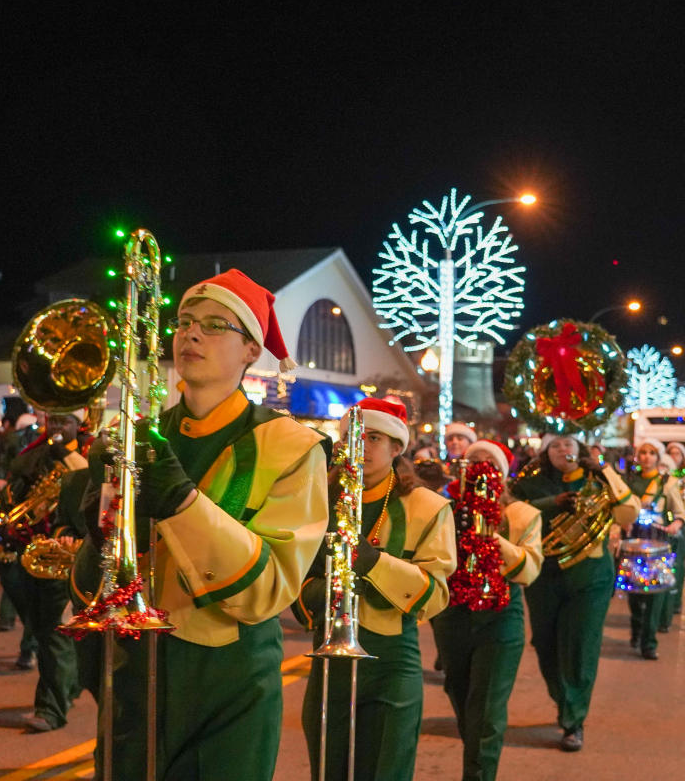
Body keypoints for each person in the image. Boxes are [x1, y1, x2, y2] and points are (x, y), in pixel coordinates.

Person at [72, 268, 330, 780]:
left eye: (214, 325)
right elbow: (93, 589)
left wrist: (180, 501)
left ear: (251, 351)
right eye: (184, 321)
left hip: (228, 684)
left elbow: (268, 590)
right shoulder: (138, 436)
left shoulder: (291, 446)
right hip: (132, 671)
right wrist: (99, 529)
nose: (189, 333)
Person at [295, 398, 456, 781]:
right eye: (353, 436)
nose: (361, 446)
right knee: (327, 766)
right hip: (328, 657)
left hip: (391, 661)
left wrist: (373, 563)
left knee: (385, 767)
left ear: (396, 447)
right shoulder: (318, 499)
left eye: (374, 437)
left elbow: (435, 594)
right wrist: (323, 593)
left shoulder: (428, 507)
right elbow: (294, 576)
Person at [510, 434, 638, 751]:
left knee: (581, 645)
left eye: (569, 444)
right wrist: (551, 503)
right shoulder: (532, 482)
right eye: (555, 445)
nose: (563, 450)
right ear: (545, 453)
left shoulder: (601, 479)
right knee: (545, 642)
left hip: (590, 575)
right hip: (544, 573)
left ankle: (573, 720)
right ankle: (564, 700)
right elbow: (512, 515)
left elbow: (628, 512)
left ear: (580, 450)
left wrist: (605, 470)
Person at [432, 439, 541, 781]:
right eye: (472, 462)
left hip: (500, 617)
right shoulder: (445, 508)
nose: (480, 469)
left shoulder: (523, 514)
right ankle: (475, 760)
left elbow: (529, 569)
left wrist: (491, 538)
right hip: (453, 615)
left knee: (488, 709)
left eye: (488, 464)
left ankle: (478, 775)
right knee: (461, 694)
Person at [0, 409, 89, 731]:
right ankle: (70, 684)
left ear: (80, 424)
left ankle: (50, 709)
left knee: (54, 637)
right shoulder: (32, 458)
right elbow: (12, 501)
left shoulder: (90, 460)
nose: (58, 426)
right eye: (54, 419)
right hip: (30, 558)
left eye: (66, 420)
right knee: (41, 631)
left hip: (67, 563)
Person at [620, 439, 685, 660]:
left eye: (651, 453)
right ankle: (637, 629)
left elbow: (680, 514)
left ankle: (649, 642)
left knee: (655, 593)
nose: (647, 457)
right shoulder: (628, 482)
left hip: (658, 544)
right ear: (637, 457)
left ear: (658, 457)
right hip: (633, 542)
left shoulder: (667, 483)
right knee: (634, 592)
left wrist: (674, 525)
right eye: (643, 452)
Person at [659, 442, 685, 633]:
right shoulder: (660, 479)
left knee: (677, 564)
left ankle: (674, 601)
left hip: (680, 526)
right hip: (661, 528)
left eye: (677, 453)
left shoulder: (683, 479)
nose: (674, 457)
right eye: (670, 453)